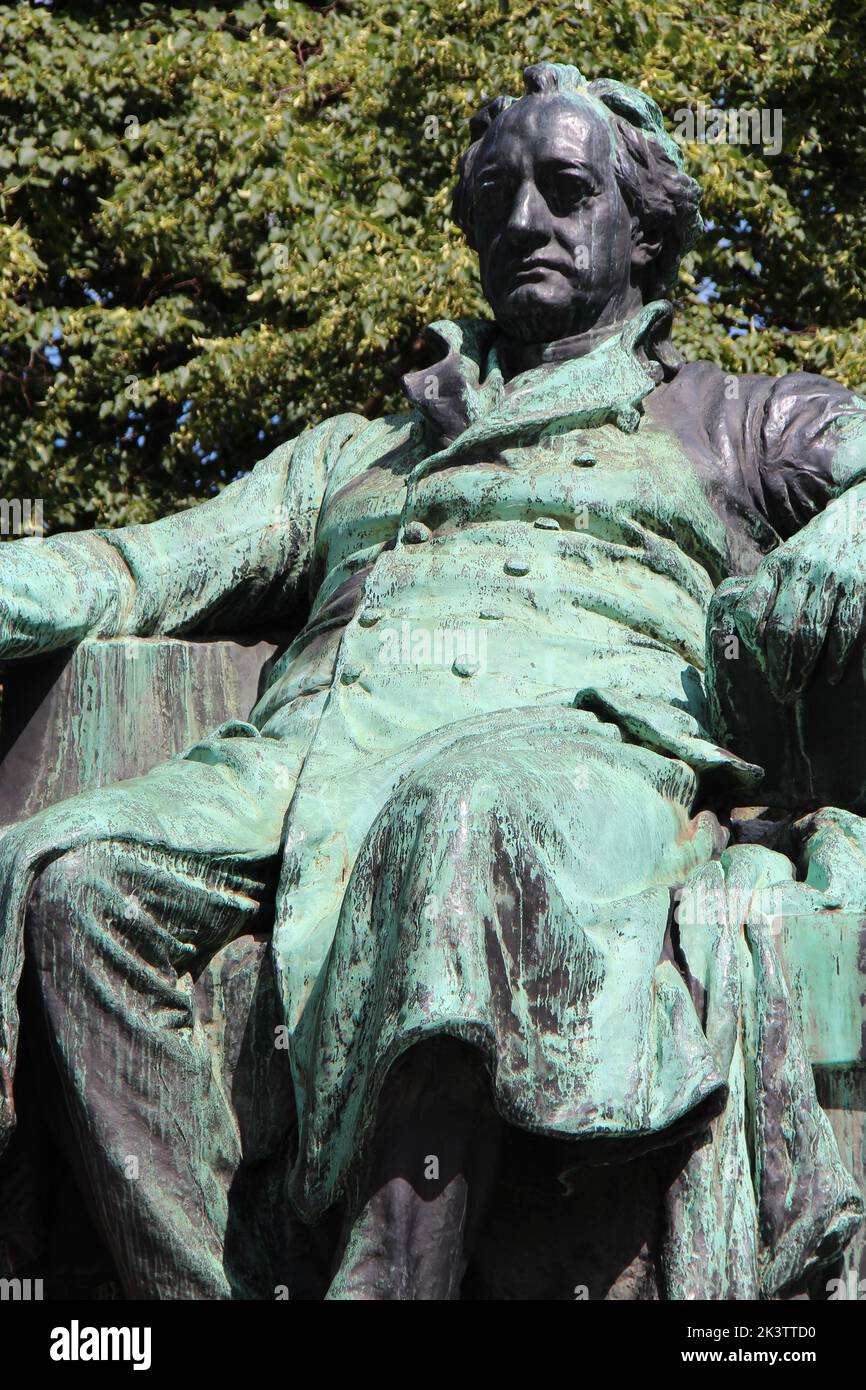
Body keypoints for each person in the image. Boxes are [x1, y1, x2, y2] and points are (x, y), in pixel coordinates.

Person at [0, 62, 864, 1299]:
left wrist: (847, 530)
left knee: (456, 814)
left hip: (564, 755)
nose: (526, 220)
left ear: (644, 230)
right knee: (73, 882)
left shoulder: (720, 420)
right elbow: (141, 568)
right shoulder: (359, 450)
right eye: (498, 193)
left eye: (566, 191)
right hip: (301, 763)